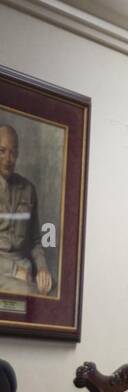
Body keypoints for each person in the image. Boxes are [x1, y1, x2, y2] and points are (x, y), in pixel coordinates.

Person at [0, 125, 52, 296]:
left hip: (25, 268)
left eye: (13, 153)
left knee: (51, 291)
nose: (8, 159)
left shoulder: (28, 189)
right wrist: (14, 270)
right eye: (2, 151)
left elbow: (36, 240)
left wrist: (43, 268)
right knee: (30, 295)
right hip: (4, 270)